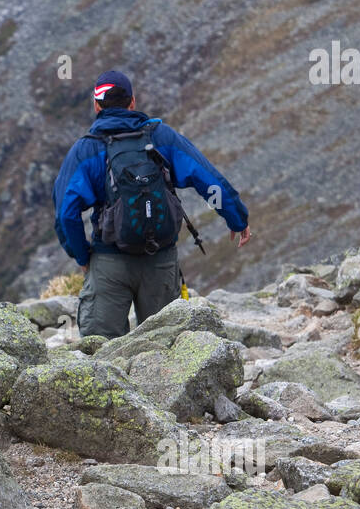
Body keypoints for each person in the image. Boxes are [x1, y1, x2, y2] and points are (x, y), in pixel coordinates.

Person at [53, 70, 251, 339]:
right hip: (160, 260)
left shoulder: (86, 149)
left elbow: (67, 213)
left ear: (97, 105)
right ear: (132, 102)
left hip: (109, 262)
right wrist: (237, 217)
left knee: (101, 353)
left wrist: (81, 255)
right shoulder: (161, 136)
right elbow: (207, 178)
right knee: (166, 348)